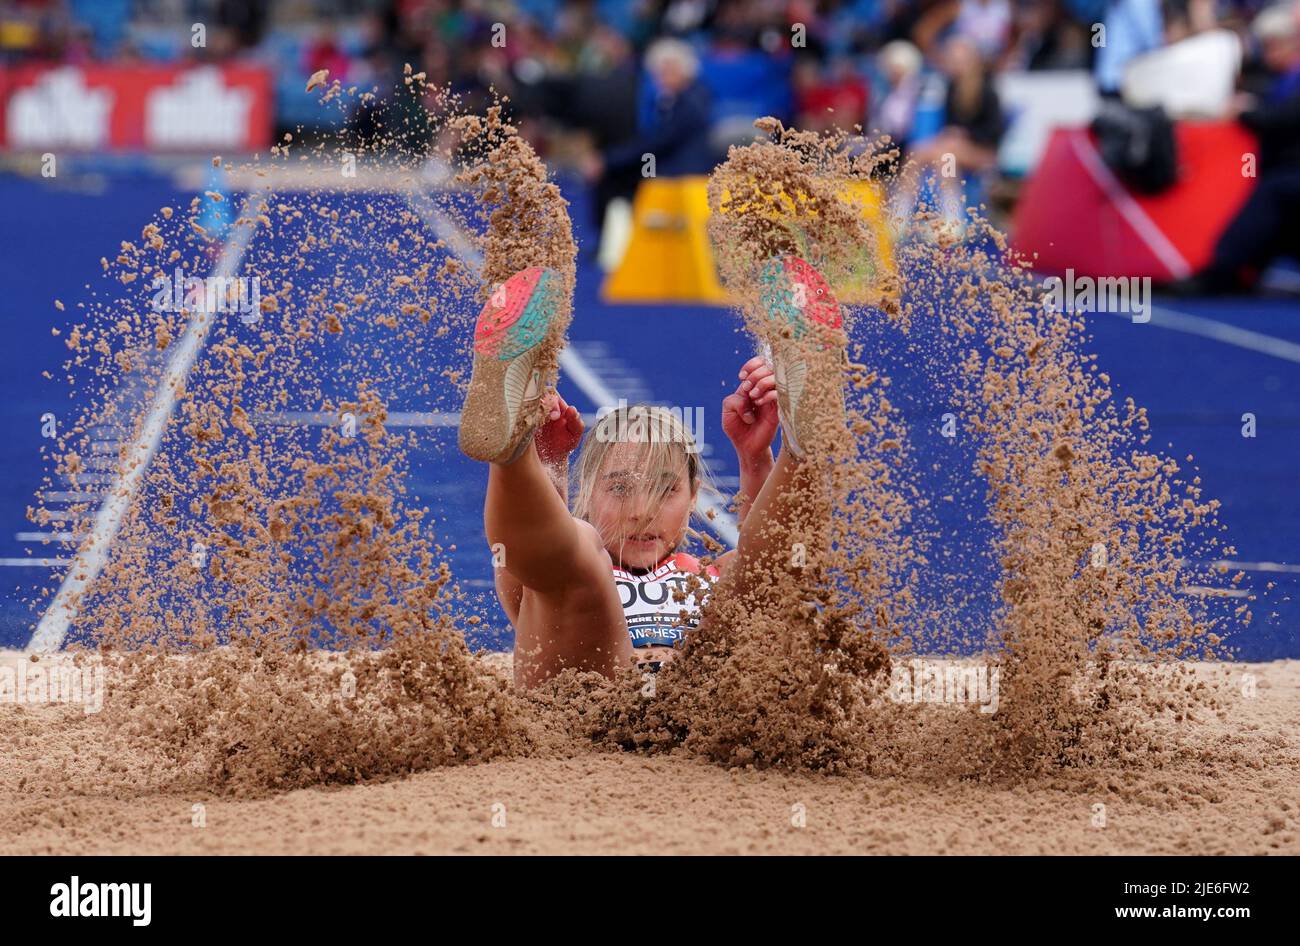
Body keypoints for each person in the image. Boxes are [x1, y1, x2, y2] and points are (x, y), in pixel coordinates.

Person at [457, 260, 847, 688]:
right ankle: (512, 451)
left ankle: (802, 448)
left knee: (767, 577)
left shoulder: (710, 578)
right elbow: (521, 560)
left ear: (693, 496)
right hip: (588, 706)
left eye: (665, 490)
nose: (642, 510)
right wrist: (545, 461)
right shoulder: (561, 578)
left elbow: (782, 561)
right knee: (576, 557)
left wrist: (756, 459)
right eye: (621, 488)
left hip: (711, 707)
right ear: (586, 493)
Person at [1189, 2, 1300, 293]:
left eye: (1274, 46)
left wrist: (1246, 112)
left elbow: (1284, 119)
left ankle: (1224, 267)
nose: (1269, 53)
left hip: (1289, 173)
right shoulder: (1278, 78)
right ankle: (1239, 269)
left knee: (1274, 191)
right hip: (1283, 169)